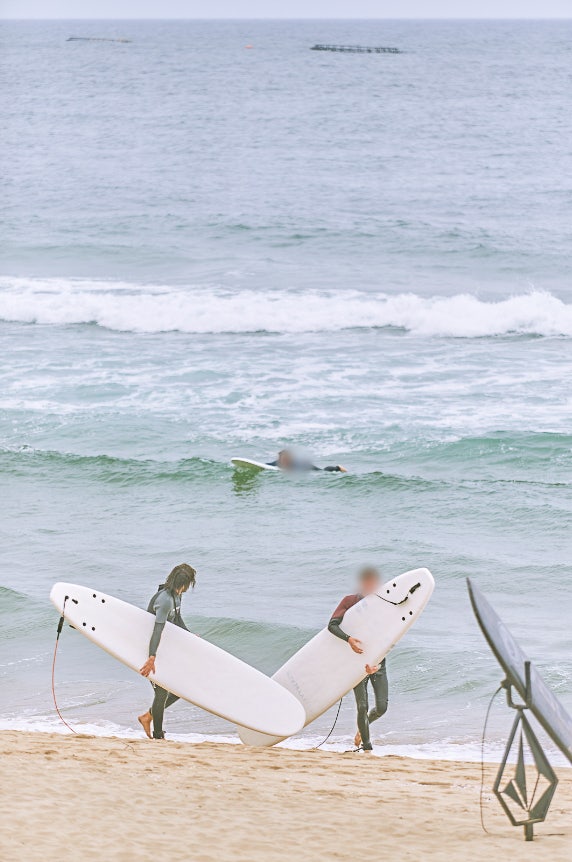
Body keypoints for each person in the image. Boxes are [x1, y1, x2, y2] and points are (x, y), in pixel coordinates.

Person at [328, 566, 389, 752]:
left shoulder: (382, 604)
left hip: (378, 661)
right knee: (362, 706)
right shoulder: (349, 601)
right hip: (356, 662)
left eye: (374, 583)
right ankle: (367, 747)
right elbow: (332, 625)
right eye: (368, 583)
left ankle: (363, 728)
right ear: (363, 583)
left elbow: (390, 634)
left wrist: (377, 663)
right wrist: (349, 640)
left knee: (381, 707)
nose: (371, 586)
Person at [138, 563, 197, 739]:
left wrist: (190, 636)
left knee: (179, 690)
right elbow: (157, 629)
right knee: (162, 692)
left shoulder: (176, 596)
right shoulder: (164, 600)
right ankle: (158, 735)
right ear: (182, 584)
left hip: (165, 650)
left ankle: (147, 716)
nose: (186, 589)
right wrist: (151, 657)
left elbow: (177, 620)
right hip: (149, 649)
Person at [268, 449, 347, 473]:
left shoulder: (295, 464)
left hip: (306, 466)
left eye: (287, 459)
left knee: (322, 471)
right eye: (284, 459)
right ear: (279, 458)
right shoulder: (276, 463)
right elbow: (264, 465)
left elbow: (299, 471)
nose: (285, 461)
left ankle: (338, 468)